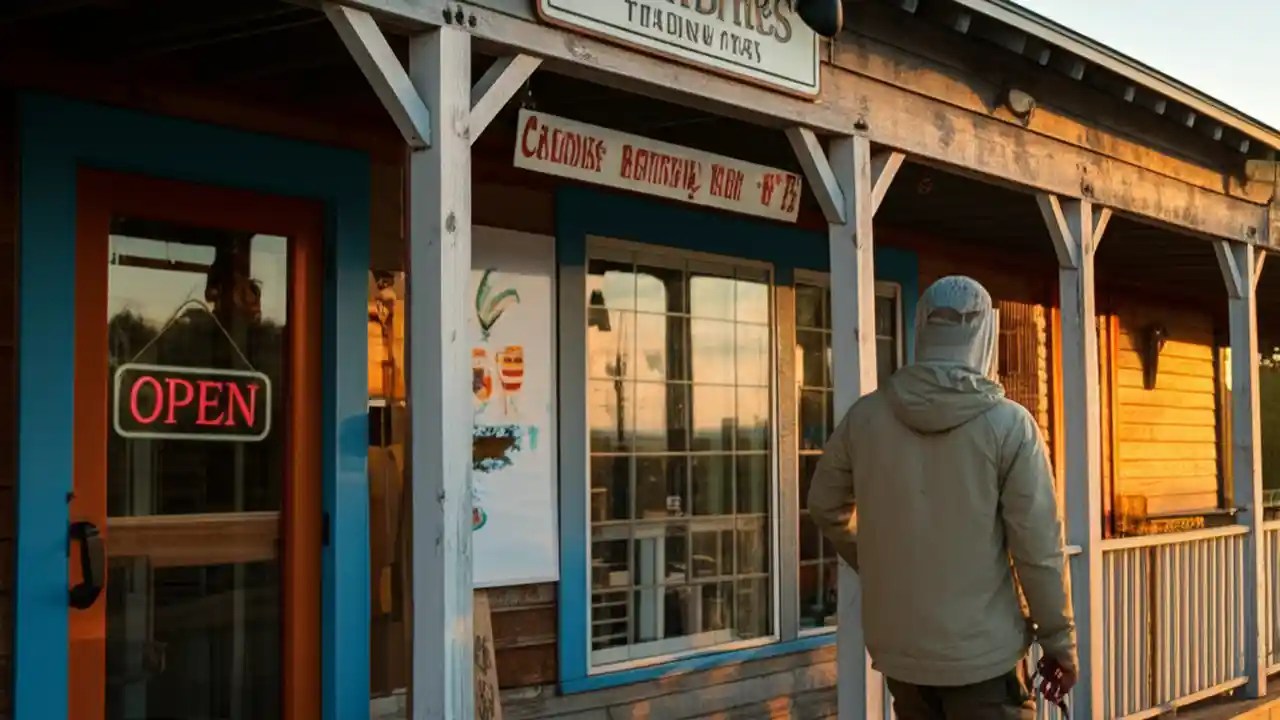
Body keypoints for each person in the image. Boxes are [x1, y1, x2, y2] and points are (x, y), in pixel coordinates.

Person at [807, 276, 1076, 719]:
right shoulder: (1009, 426)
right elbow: (1038, 549)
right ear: (984, 335)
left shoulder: (866, 418)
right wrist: (1059, 643)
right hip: (985, 661)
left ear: (921, 328)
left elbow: (825, 504)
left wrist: (875, 559)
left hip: (904, 657)